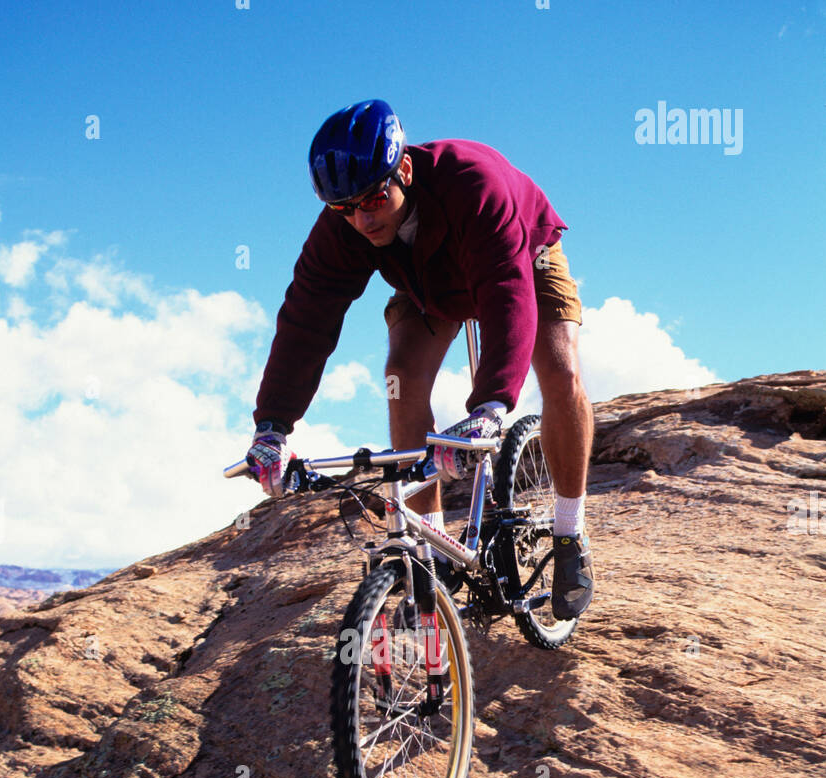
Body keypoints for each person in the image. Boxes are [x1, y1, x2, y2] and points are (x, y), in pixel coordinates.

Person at [245, 99, 594, 620]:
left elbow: (505, 291)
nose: (362, 218)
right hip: (427, 284)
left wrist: (492, 405)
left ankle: (570, 532)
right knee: (401, 378)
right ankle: (430, 556)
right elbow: (306, 320)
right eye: (344, 207)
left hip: (518, 256)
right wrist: (272, 427)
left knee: (559, 368)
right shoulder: (344, 224)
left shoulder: (474, 184)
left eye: (373, 198)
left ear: (403, 169)